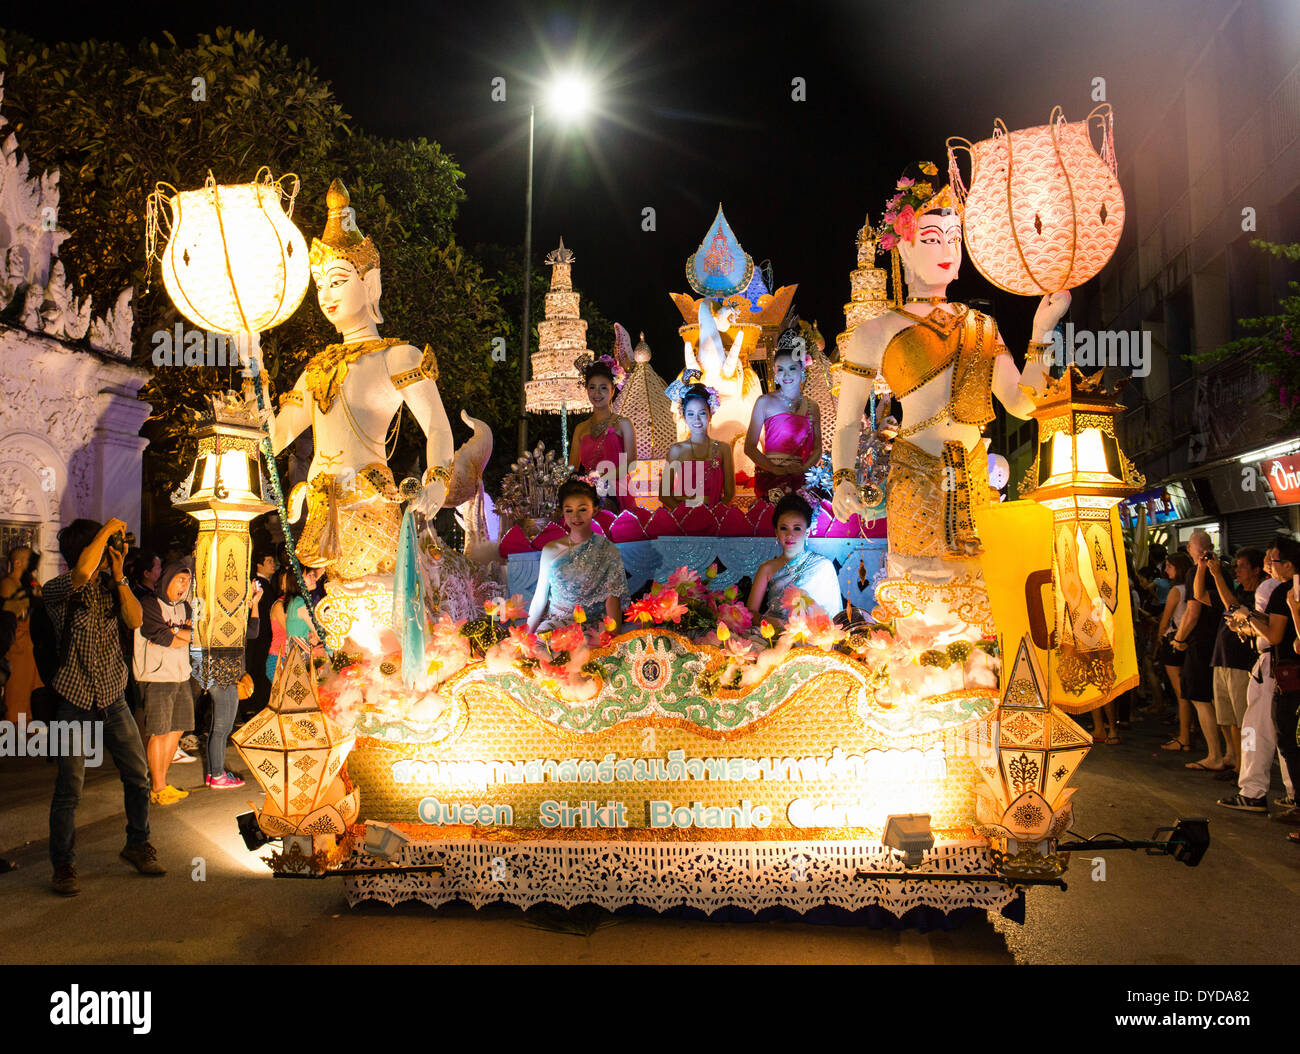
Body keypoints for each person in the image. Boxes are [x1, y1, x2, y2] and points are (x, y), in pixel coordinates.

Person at [45, 518, 166, 895]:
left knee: (138, 775)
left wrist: (118, 575)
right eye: (101, 546)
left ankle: (137, 842)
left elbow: (134, 621)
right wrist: (108, 527)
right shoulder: (59, 590)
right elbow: (82, 571)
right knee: (70, 789)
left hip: (113, 696)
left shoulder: (112, 588)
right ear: (85, 551)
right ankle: (63, 865)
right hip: (73, 699)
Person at [1219, 537, 1300, 813]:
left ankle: (1253, 791)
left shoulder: (1276, 590)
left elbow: (1274, 635)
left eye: (1271, 560)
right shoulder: (1287, 590)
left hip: (1274, 669)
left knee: (1257, 729)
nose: (1268, 565)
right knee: (1285, 735)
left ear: (1287, 564)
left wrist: (1247, 617)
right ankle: (1293, 792)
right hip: (1285, 670)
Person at [527, 477, 629, 633]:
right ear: (562, 512)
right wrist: (527, 638)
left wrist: (613, 641)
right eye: (569, 510)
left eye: (582, 509)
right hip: (556, 627)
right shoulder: (550, 550)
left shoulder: (607, 550)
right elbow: (540, 598)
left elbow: (612, 599)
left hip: (593, 629)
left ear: (594, 509)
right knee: (544, 648)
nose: (576, 516)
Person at [134, 560, 197, 805]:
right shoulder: (149, 604)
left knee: (177, 728)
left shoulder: (185, 608)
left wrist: (179, 636)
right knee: (158, 732)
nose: (184, 586)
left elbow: (192, 636)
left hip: (181, 674)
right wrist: (180, 637)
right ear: (167, 579)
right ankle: (157, 787)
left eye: (187, 581)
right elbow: (162, 637)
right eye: (180, 580)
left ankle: (163, 782)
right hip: (157, 676)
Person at [1203, 548, 1265, 778]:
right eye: (1236, 566)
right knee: (1228, 718)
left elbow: (1232, 607)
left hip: (1242, 663)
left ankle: (1247, 769)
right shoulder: (1241, 590)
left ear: (1256, 570)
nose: (1237, 570)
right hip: (1223, 658)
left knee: (1243, 720)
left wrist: (1218, 575)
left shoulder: (1258, 595)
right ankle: (1237, 763)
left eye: (1242, 566)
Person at [746, 330, 823, 504]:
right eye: (780, 369)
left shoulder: (813, 407)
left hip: (802, 478)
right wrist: (774, 469)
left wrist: (802, 469)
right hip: (770, 477)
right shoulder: (764, 402)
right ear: (774, 371)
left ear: (802, 369)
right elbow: (749, 447)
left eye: (792, 368)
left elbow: (817, 448)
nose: (786, 375)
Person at [747, 492, 843, 629]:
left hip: (813, 638)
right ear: (776, 532)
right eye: (783, 528)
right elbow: (750, 613)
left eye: (797, 528)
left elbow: (833, 617)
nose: (789, 535)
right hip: (774, 635)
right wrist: (769, 622)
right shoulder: (767, 568)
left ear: (807, 531)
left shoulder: (823, 567)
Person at [1171, 531, 1226, 767]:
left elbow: (1193, 612)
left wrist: (1179, 639)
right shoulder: (1221, 568)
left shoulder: (1197, 572)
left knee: (1200, 699)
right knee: (1217, 700)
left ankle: (1214, 754)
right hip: (1219, 639)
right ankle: (1229, 752)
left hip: (1201, 641)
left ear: (1193, 549)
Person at [202, 578, 261, 790]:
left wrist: (252, 603)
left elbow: (251, 632)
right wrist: (254, 604)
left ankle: (213, 772)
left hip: (219, 676)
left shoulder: (218, 617)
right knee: (221, 728)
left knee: (218, 728)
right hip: (225, 677)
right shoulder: (227, 619)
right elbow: (253, 631)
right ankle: (217, 775)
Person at [568, 360, 637, 513]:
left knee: (600, 510)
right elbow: (572, 468)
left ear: (613, 390)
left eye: (603, 388)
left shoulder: (624, 423)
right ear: (586, 390)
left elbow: (631, 463)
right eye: (592, 387)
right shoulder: (580, 428)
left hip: (616, 488)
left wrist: (601, 477)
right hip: (587, 490)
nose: (597, 393)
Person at [661, 383, 734, 510]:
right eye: (690, 414)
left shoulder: (723, 449)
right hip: (684, 517)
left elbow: (730, 493)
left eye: (702, 413)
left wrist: (713, 514)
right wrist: (684, 516)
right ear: (683, 416)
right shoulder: (676, 450)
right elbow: (664, 495)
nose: (697, 419)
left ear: (710, 414)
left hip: (714, 517)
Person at [0, 545, 42, 722]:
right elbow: (10, 615)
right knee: (17, 687)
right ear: (17, 563)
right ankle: (13, 725)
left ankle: (29, 722)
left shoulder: (29, 582)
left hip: (31, 644)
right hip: (17, 643)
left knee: (31, 688)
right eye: (28, 560)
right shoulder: (7, 583)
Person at [1156, 551, 1192, 751]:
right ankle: (1189, 728)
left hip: (1174, 641)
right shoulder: (1193, 588)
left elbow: (1165, 619)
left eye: (1169, 566)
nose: (1166, 570)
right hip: (1188, 641)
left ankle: (1184, 736)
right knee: (1186, 689)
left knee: (1181, 692)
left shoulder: (1176, 590)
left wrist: (1158, 638)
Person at [267, 567, 322, 683]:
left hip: (297, 655)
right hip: (280, 656)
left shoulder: (299, 601)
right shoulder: (281, 605)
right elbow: (292, 632)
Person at [244, 548, 278, 711]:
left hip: (264, 634)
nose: (273, 564)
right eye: (269, 561)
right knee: (258, 668)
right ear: (259, 564)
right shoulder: (257, 583)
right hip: (260, 635)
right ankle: (254, 705)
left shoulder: (268, 583)